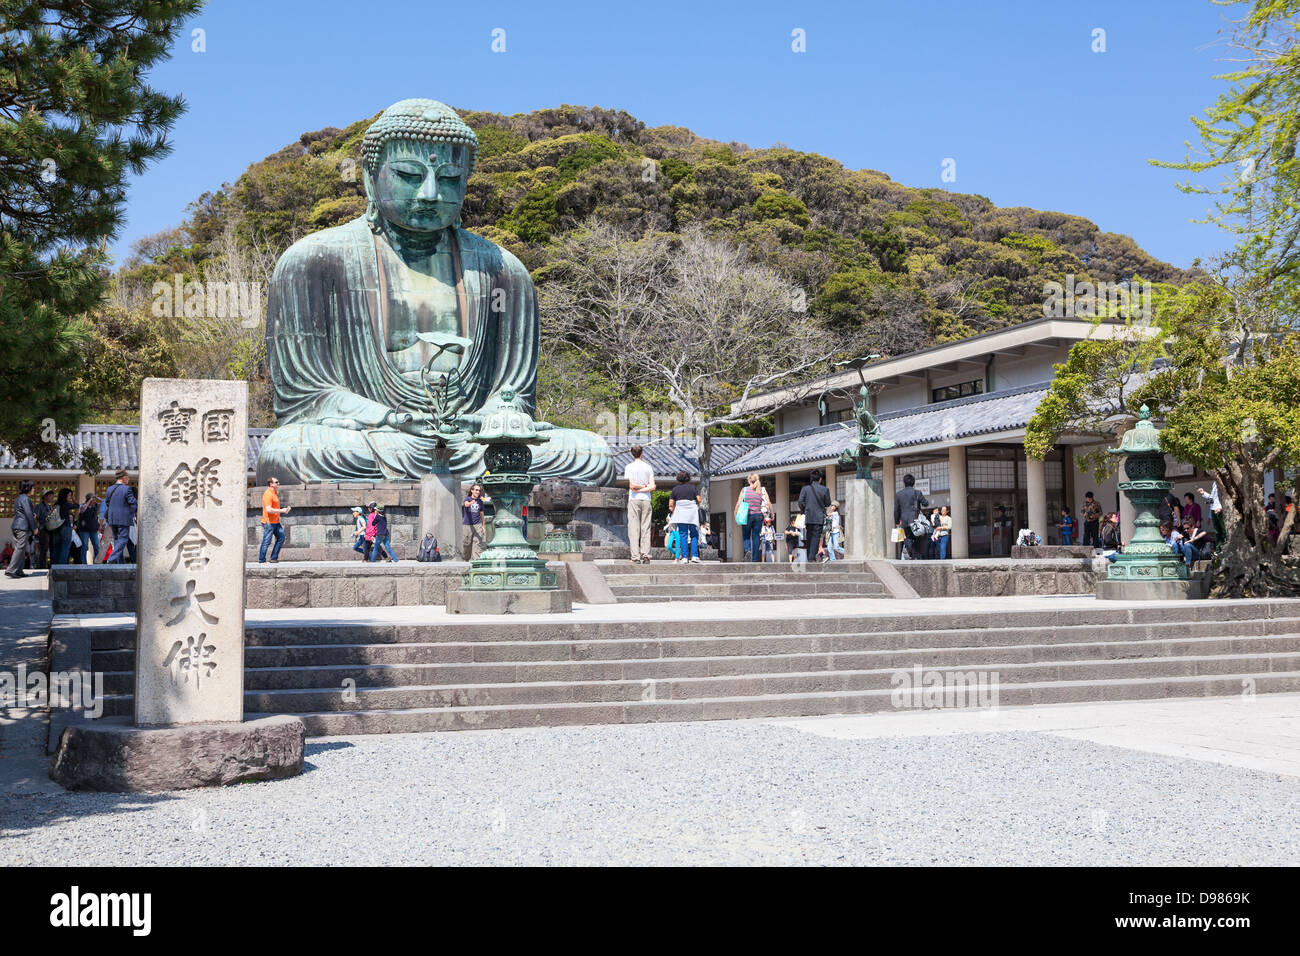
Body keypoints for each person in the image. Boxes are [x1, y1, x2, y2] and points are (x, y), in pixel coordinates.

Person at [624, 445, 655, 564]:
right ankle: (646, 555)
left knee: (633, 528)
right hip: (646, 499)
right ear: (642, 453)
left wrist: (639, 488)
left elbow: (632, 486)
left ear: (632, 454)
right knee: (646, 528)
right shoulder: (648, 467)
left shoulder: (629, 467)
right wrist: (646, 487)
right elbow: (652, 486)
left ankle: (635, 556)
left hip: (634, 499)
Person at [103, 471, 137, 565]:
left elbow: (107, 503)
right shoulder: (127, 489)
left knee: (117, 540)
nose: (129, 479)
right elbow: (133, 503)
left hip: (112, 518)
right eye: (128, 477)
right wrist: (130, 512)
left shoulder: (110, 489)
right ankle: (111, 559)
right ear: (123, 477)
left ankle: (120, 562)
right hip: (123, 518)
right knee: (123, 539)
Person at [798, 469, 832, 564]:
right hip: (819, 516)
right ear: (820, 479)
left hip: (809, 516)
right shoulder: (825, 489)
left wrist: (805, 509)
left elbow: (800, 502)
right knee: (816, 537)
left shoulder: (805, 489)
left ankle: (810, 557)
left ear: (811, 479)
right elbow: (828, 503)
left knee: (809, 536)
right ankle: (811, 558)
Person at [669, 471, 702, 564]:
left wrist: (674, 511)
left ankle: (684, 557)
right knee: (694, 534)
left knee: (683, 535)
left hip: (681, 513)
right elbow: (699, 499)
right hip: (692, 512)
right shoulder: (693, 488)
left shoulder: (675, 489)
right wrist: (694, 503)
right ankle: (695, 556)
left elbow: (671, 504)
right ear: (688, 478)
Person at [894, 473, 930, 560]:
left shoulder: (899, 494)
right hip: (915, 519)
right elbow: (926, 503)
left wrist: (897, 521)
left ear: (904, 483)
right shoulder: (917, 492)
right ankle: (915, 556)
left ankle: (911, 552)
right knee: (917, 538)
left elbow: (896, 510)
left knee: (907, 537)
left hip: (904, 521)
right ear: (913, 483)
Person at [737, 473, 771, 564]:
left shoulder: (744, 490)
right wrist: (771, 514)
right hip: (758, 516)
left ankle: (747, 551)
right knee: (756, 536)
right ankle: (755, 558)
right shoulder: (761, 490)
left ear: (749, 480)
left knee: (746, 535)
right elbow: (768, 503)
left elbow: (738, 504)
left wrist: (736, 514)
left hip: (747, 516)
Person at [5, 480, 36, 578]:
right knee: (20, 548)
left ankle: (18, 570)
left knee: (21, 549)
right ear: (28, 488)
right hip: (22, 527)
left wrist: (32, 514)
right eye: (32, 487)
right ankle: (11, 570)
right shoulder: (25, 499)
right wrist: (34, 527)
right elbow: (28, 514)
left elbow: (23, 512)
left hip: (17, 525)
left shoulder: (20, 498)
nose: (34, 489)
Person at [258, 477, 290, 563]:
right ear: (271, 484)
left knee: (281, 538)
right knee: (266, 542)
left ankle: (273, 558)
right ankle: (261, 560)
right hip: (269, 522)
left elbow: (274, 507)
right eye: (276, 482)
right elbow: (268, 509)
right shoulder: (268, 494)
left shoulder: (274, 492)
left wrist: (284, 510)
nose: (278, 483)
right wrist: (281, 510)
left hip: (276, 521)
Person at [462, 483, 489, 561]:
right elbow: (466, 504)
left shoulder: (480, 501)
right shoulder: (467, 499)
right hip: (467, 525)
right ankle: (465, 560)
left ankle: (477, 562)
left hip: (478, 524)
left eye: (479, 491)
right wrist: (471, 503)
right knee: (466, 544)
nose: (478, 492)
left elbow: (482, 514)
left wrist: (483, 526)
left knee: (477, 543)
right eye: (476, 490)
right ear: (472, 491)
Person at [51, 487, 75, 565]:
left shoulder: (56, 504)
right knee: (65, 547)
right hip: (65, 527)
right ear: (65, 496)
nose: (70, 497)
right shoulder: (67, 504)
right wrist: (74, 500)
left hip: (56, 528)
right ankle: (62, 566)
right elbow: (77, 506)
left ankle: (54, 566)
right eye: (70, 495)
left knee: (57, 548)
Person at [75, 493, 101, 565]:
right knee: (85, 546)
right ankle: (83, 563)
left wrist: (97, 498)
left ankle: (97, 562)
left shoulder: (95, 506)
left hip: (94, 530)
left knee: (96, 546)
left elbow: (105, 503)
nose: (94, 501)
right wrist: (89, 501)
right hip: (84, 530)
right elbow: (83, 509)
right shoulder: (83, 505)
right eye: (93, 499)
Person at [1197, 483, 1224, 550]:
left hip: (1219, 509)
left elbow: (1224, 497)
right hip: (1213, 508)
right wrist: (1204, 493)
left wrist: (1221, 507)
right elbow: (1213, 498)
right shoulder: (1214, 482)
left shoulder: (1221, 481)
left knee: (1223, 529)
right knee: (1217, 531)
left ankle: (1224, 546)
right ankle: (1219, 548)